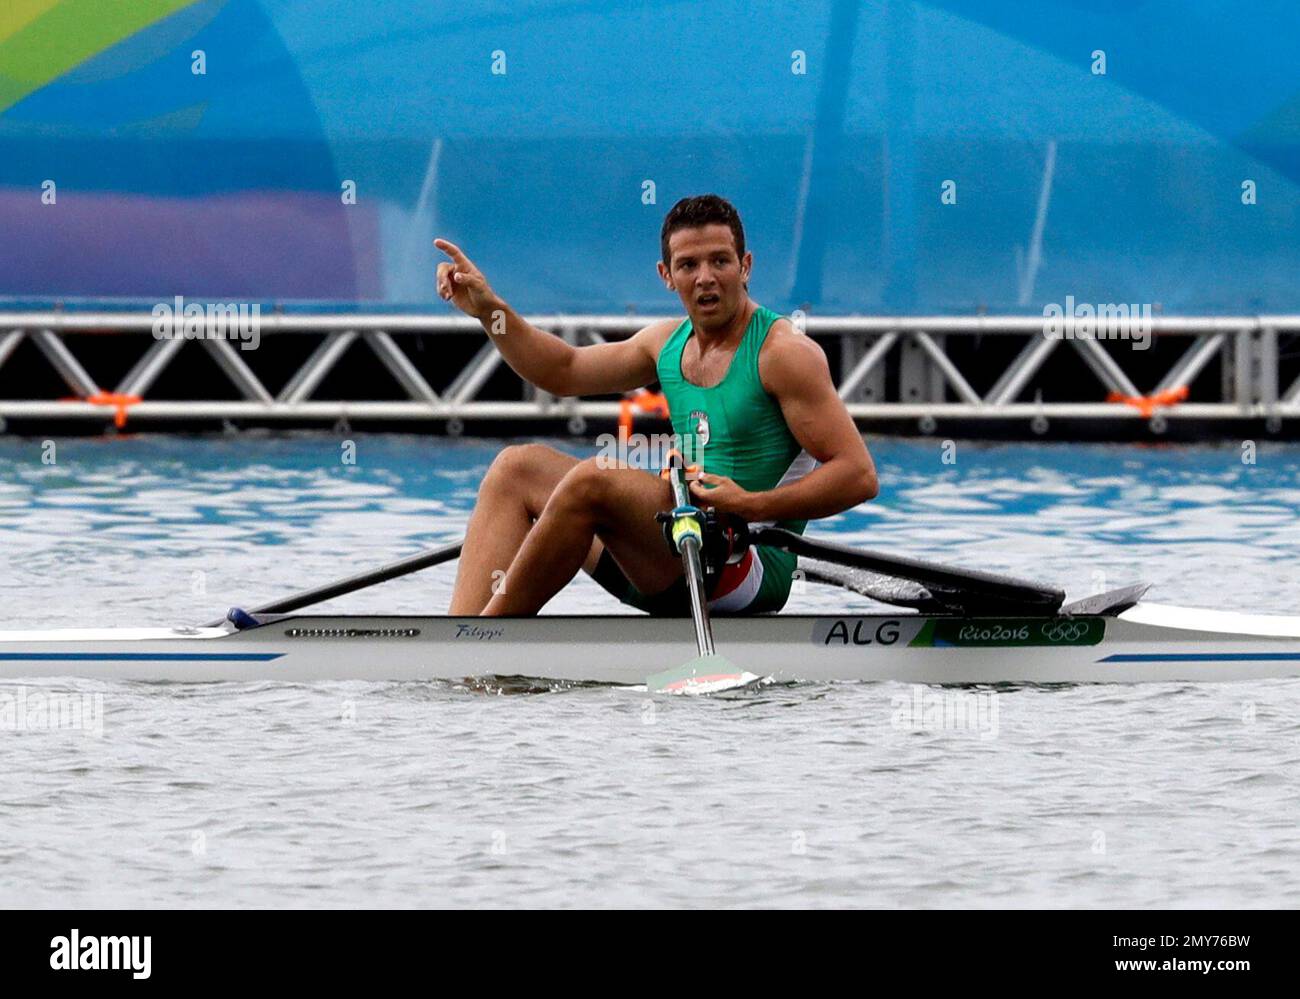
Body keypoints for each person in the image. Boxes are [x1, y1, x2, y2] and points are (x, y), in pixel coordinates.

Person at [437, 194, 877, 616]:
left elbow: (857, 474)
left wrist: (752, 504)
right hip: (674, 550)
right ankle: (461, 639)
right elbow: (562, 370)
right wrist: (489, 312)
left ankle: (483, 642)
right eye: (688, 265)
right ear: (667, 275)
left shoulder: (783, 353)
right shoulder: (665, 343)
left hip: (746, 565)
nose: (705, 277)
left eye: (720, 261)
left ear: (745, 267)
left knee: (594, 478)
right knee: (515, 469)